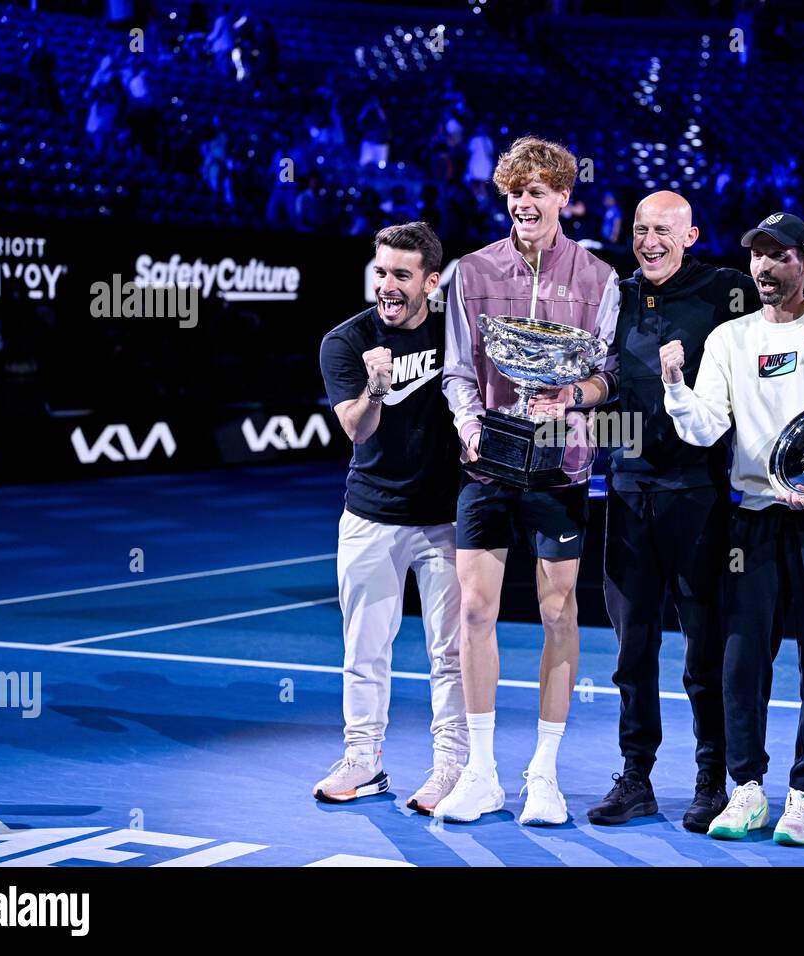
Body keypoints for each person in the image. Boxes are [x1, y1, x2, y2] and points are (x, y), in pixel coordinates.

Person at [586, 193, 804, 833]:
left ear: (691, 235)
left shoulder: (727, 290)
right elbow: (599, 375)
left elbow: (796, 284)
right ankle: (637, 777)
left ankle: (716, 781)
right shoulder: (615, 297)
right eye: (640, 230)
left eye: (664, 231)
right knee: (632, 649)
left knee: (709, 652)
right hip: (626, 490)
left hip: (702, 498)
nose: (649, 242)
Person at [659, 212, 804, 845]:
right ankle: (747, 789)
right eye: (756, 257)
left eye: (779, 258)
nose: (763, 269)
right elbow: (705, 426)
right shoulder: (728, 339)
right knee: (743, 658)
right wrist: (673, 385)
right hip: (752, 519)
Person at [435, 137, 619, 826]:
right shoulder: (471, 271)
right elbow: (457, 368)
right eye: (515, 191)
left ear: (564, 197)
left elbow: (607, 378)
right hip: (486, 461)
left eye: (539, 190)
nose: (524, 202)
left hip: (561, 465)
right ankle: (481, 773)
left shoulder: (599, 279)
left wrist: (574, 396)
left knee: (557, 612)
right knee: (475, 611)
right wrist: (468, 424)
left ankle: (543, 774)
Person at [314, 222, 468, 814]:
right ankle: (364, 759)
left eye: (402, 275)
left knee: (448, 653)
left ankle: (451, 765)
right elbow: (356, 429)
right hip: (370, 516)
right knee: (364, 648)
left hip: (444, 519)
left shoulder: (455, 331)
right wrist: (376, 387)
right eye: (381, 271)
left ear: (431, 281)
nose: (387, 284)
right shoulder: (345, 342)